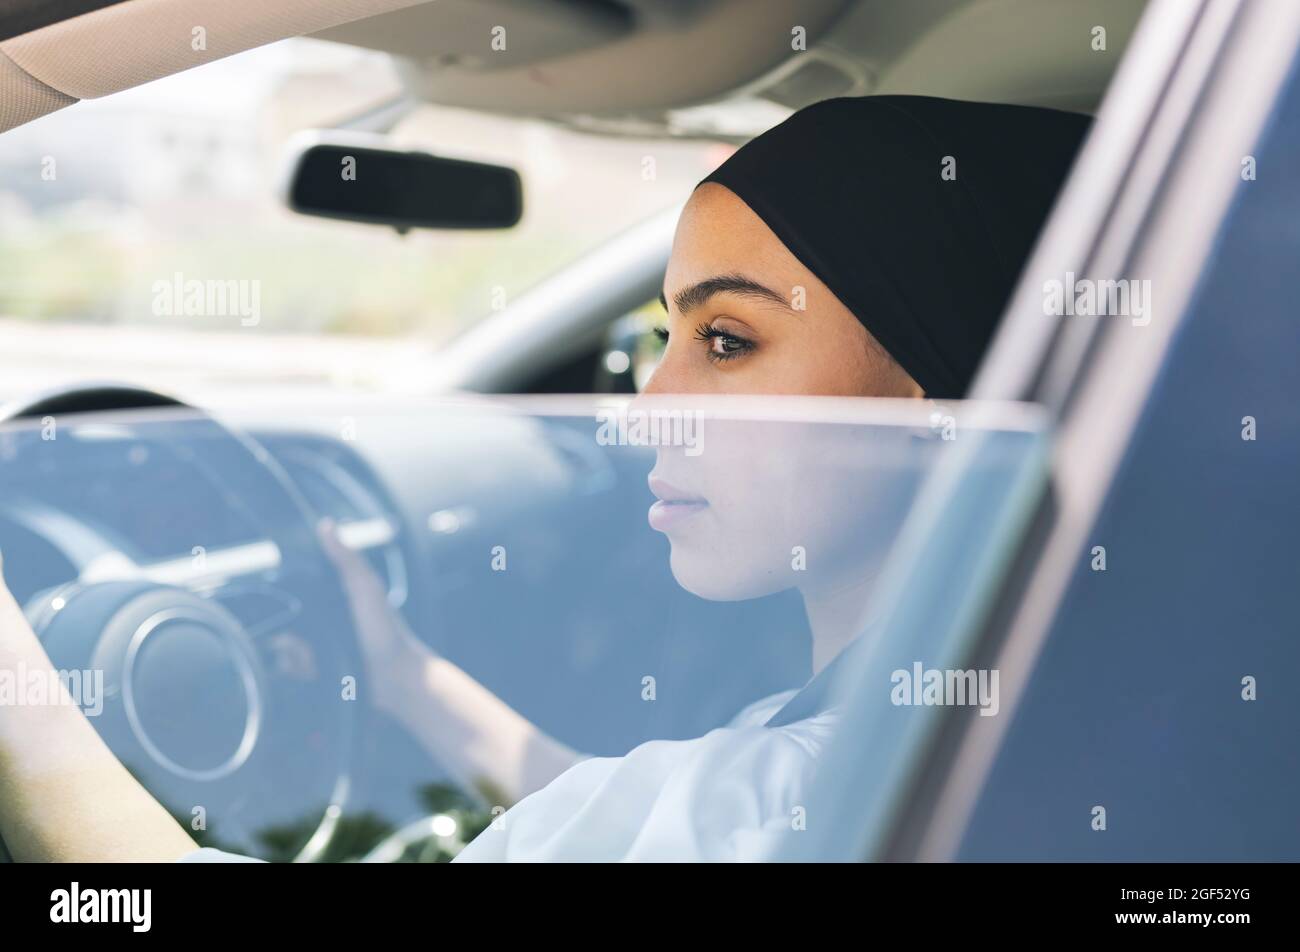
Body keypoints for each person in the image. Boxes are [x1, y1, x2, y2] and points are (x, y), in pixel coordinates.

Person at [0, 96, 1089, 862]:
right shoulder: (1038, 710)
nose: (644, 407)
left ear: (948, 398)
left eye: (725, 340)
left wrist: (30, 713)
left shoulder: (792, 797)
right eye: (663, 334)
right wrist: (406, 678)